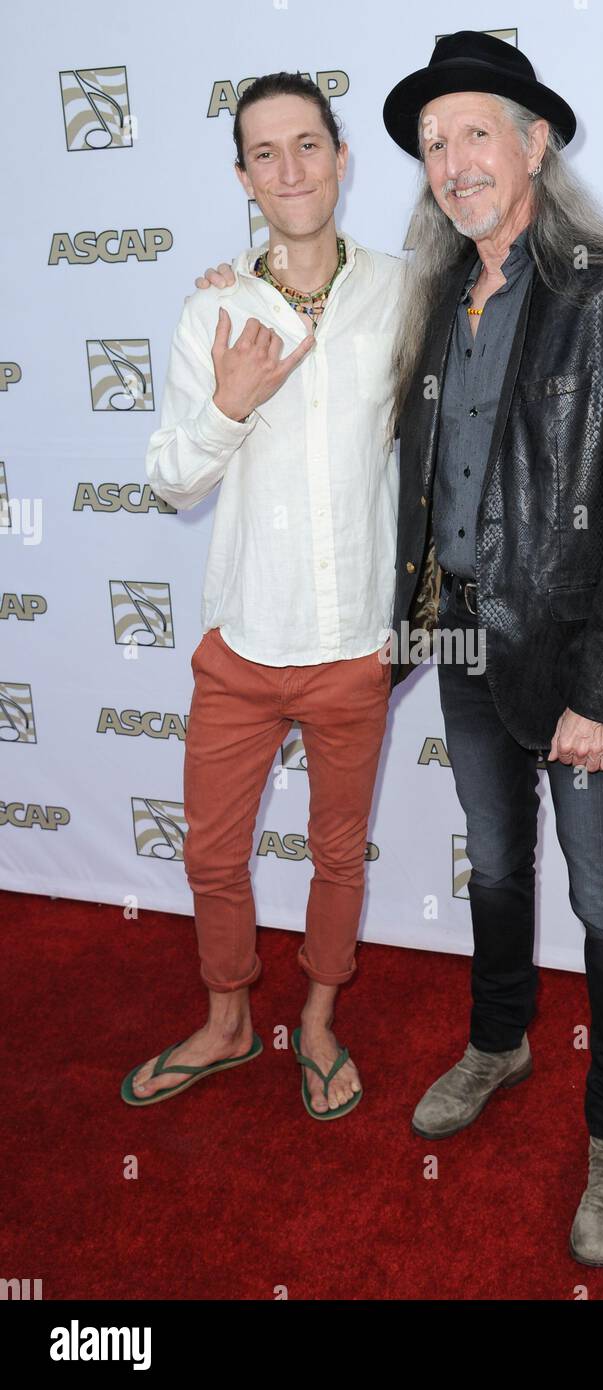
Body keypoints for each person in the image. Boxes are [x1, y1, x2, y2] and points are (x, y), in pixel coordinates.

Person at [382, 30, 603, 1264]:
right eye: (430, 144)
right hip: (462, 632)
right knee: (498, 870)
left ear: (534, 142)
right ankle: (499, 1040)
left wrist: (602, 691)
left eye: (472, 132)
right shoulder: (434, 298)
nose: (451, 161)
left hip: (576, 658)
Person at [121, 71, 401, 1118]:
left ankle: (319, 1020)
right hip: (241, 642)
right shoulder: (211, 309)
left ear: (339, 156)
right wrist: (228, 408)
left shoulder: (403, 290)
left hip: (351, 645)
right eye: (265, 153)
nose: (290, 169)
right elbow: (169, 478)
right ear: (242, 176)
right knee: (209, 852)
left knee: (337, 851)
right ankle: (229, 1018)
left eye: (308, 145)